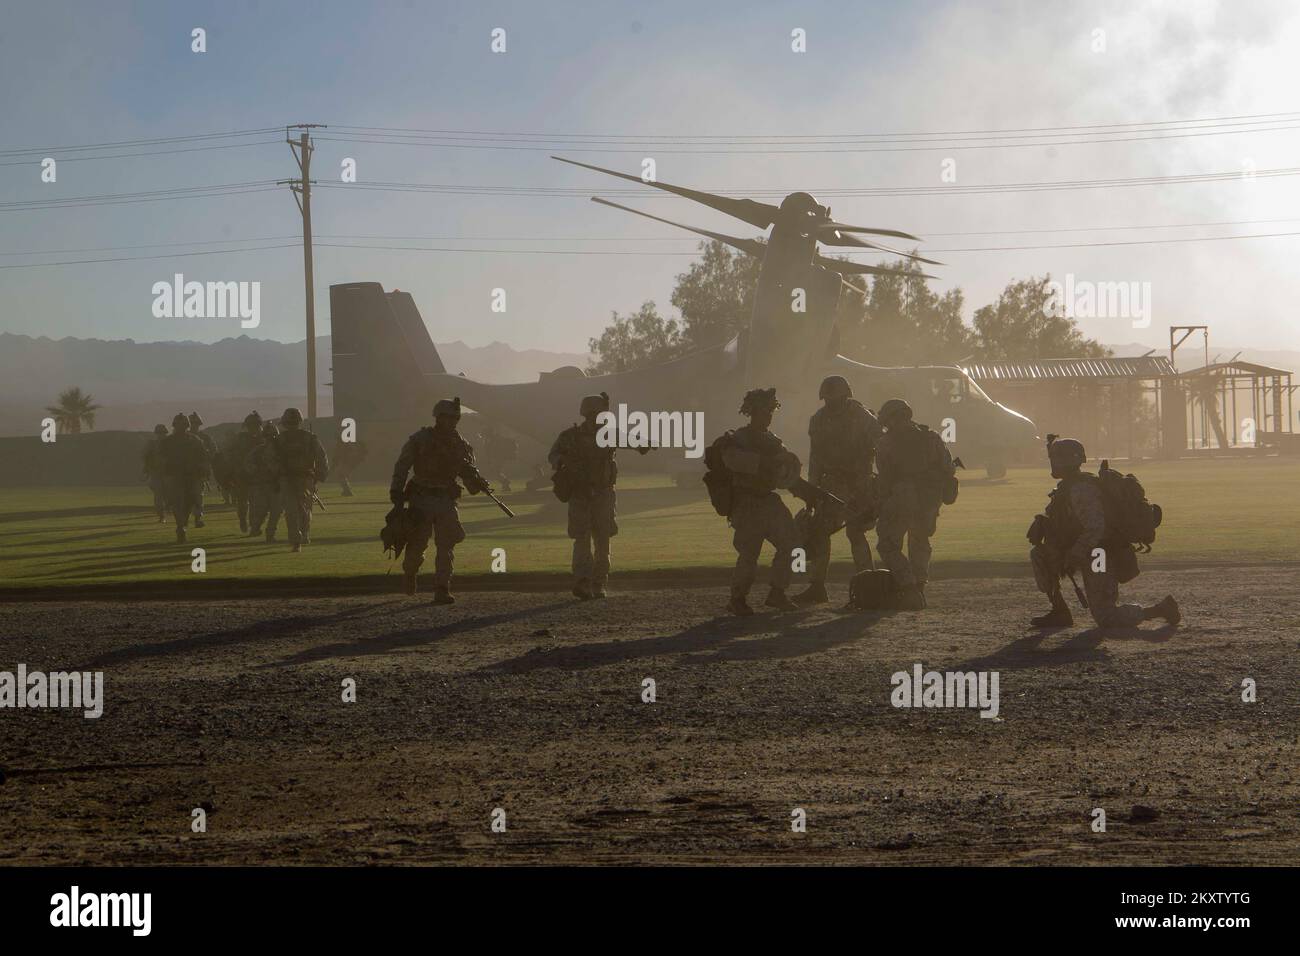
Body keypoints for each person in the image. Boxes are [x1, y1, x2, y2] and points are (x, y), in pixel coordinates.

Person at [1029, 436, 1180, 629]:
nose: (1052, 463)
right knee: (1040, 554)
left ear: (1064, 461)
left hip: (1099, 554)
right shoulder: (1067, 487)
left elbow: (1095, 528)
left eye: (1055, 458)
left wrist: (1074, 556)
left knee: (1106, 617)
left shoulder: (1081, 490)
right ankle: (1059, 611)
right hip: (1083, 549)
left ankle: (1160, 610)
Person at [548, 391, 649, 599]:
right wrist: (561, 462)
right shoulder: (570, 436)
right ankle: (583, 581)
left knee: (602, 538)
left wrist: (643, 443)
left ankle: (598, 582)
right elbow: (553, 454)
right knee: (582, 537)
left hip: (603, 493)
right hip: (580, 494)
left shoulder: (609, 434)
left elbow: (633, 441)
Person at [389, 397, 489, 602]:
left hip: (446, 499)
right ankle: (410, 573)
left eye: (455, 418)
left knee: (447, 545)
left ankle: (442, 588)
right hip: (421, 498)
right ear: (439, 417)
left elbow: (469, 477)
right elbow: (402, 465)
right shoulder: (420, 439)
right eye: (449, 417)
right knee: (417, 545)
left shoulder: (461, 444)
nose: (453, 421)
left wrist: (478, 482)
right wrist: (396, 491)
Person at [794, 375, 883, 606]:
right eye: (827, 400)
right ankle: (816, 588)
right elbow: (816, 457)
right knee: (819, 533)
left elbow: (881, 445)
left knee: (855, 532)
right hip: (831, 484)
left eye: (834, 399)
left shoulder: (862, 417)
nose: (830, 404)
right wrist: (812, 490)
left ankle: (868, 586)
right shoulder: (819, 420)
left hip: (859, 483)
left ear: (846, 396)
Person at [716, 387, 801, 616]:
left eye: (771, 410)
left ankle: (778, 593)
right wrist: (767, 462)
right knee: (749, 553)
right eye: (765, 410)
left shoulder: (774, 441)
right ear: (753, 411)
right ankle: (738, 599)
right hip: (747, 502)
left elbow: (786, 473)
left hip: (769, 500)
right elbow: (733, 461)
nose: (769, 415)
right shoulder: (738, 438)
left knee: (792, 544)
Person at [874, 398, 955, 610]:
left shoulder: (886, 442)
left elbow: (884, 478)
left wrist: (881, 502)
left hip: (902, 497)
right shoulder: (932, 437)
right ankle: (918, 590)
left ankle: (908, 587)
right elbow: (948, 469)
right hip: (929, 499)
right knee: (919, 541)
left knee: (887, 545)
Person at [271, 407, 328, 553]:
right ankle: (298, 539)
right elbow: (271, 459)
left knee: (299, 510)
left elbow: (321, 457)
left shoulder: (306, 438)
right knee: (296, 510)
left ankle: (300, 537)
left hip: (303, 478)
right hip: (293, 478)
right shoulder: (281, 440)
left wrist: (320, 474)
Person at [158, 413, 209, 543]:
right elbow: (161, 458)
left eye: (183, 425)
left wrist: (203, 471)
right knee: (175, 502)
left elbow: (203, 456)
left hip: (191, 476)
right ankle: (180, 526)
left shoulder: (194, 440)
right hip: (174, 476)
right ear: (175, 426)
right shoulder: (168, 442)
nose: (181, 427)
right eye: (179, 425)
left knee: (192, 500)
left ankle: (183, 525)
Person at [223, 413, 263, 533]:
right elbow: (229, 454)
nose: (253, 428)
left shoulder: (263, 439)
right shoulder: (240, 439)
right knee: (243, 502)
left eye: (255, 425)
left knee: (255, 501)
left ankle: (253, 525)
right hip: (241, 475)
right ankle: (243, 520)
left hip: (257, 475)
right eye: (251, 425)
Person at [245, 420, 283, 541]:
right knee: (261, 511)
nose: (270, 439)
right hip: (261, 485)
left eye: (272, 436)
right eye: (268, 436)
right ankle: (256, 528)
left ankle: (270, 533)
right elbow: (248, 465)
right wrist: (257, 472)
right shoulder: (258, 451)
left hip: (276, 485)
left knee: (276, 512)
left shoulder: (281, 451)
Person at [141, 424, 169, 522]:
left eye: (163, 433)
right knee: (158, 496)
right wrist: (146, 469)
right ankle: (162, 515)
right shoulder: (152, 444)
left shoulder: (171, 444)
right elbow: (145, 457)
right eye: (159, 433)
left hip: (169, 473)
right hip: (156, 473)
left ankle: (168, 511)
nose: (161, 435)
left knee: (169, 495)